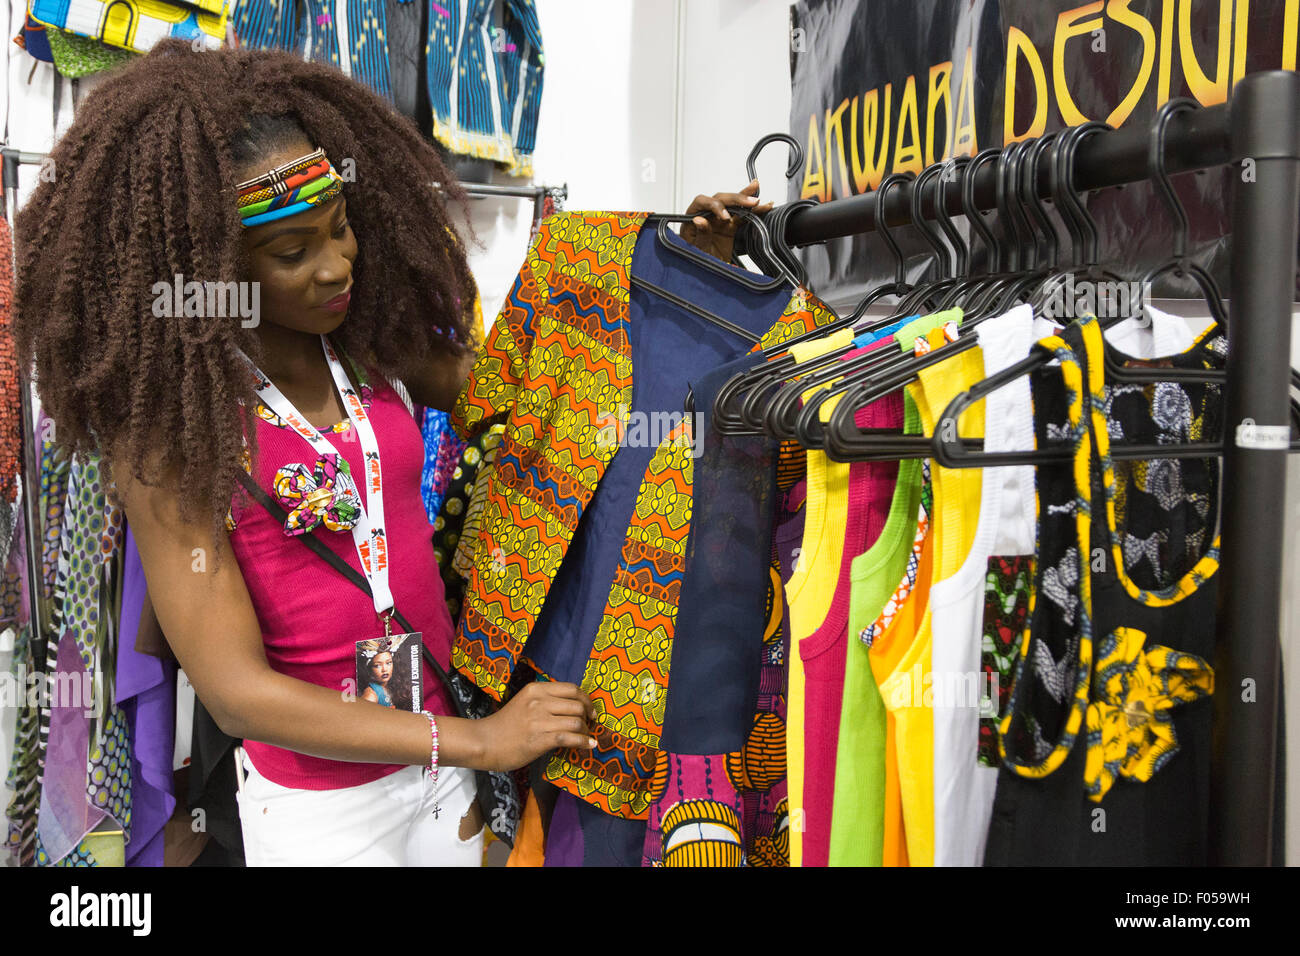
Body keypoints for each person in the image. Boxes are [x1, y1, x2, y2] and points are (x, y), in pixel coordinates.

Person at [12, 39, 772, 866]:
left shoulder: (375, 347)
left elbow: (557, 397)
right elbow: (235, 693)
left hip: (447, 777)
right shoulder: (170, 432)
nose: (337, 266)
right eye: (294, 253)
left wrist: (688, 276)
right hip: (324, 813)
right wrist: (481, 742)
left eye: (341, 229)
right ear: (215, 265)